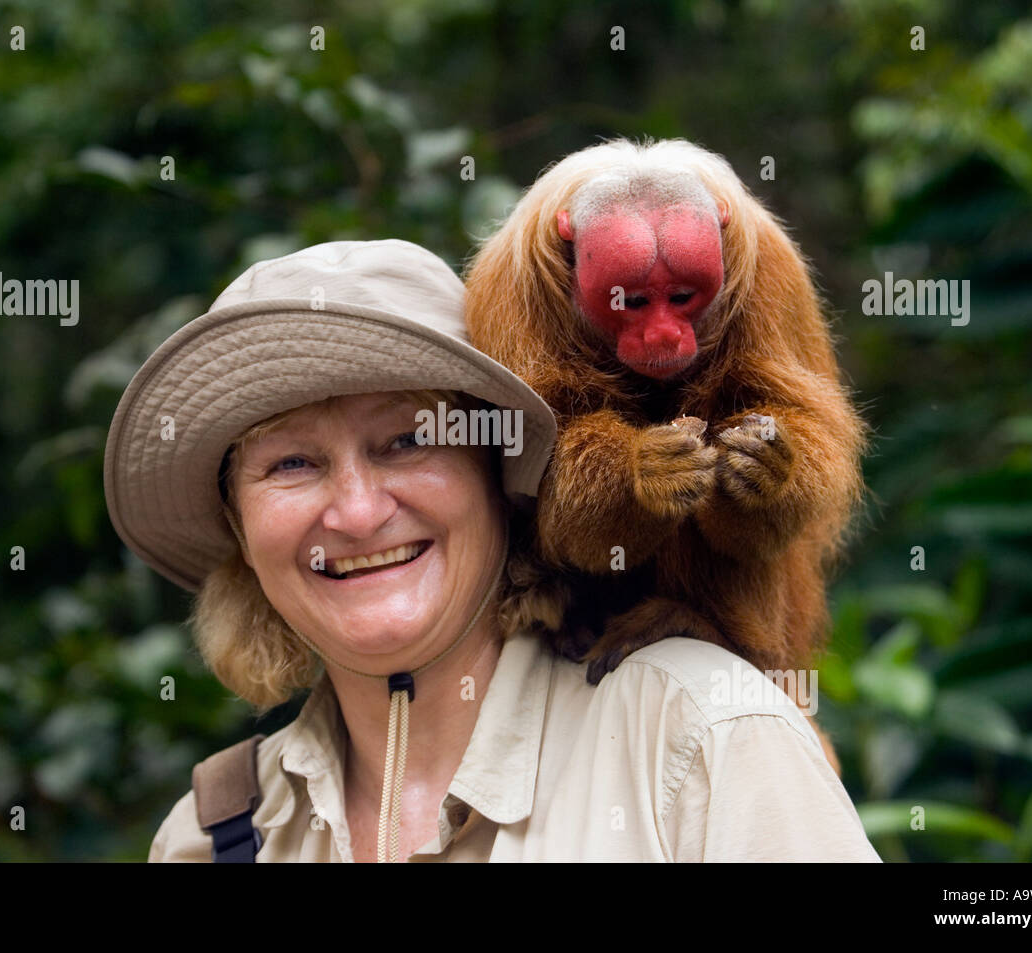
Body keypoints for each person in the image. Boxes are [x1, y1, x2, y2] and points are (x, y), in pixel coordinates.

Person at [104, 239, 881, 862]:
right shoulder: (215, 835)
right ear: (240, 527)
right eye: (292, 463)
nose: (359, 509)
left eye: (408, 440)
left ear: (500, 481)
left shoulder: (703, 740)